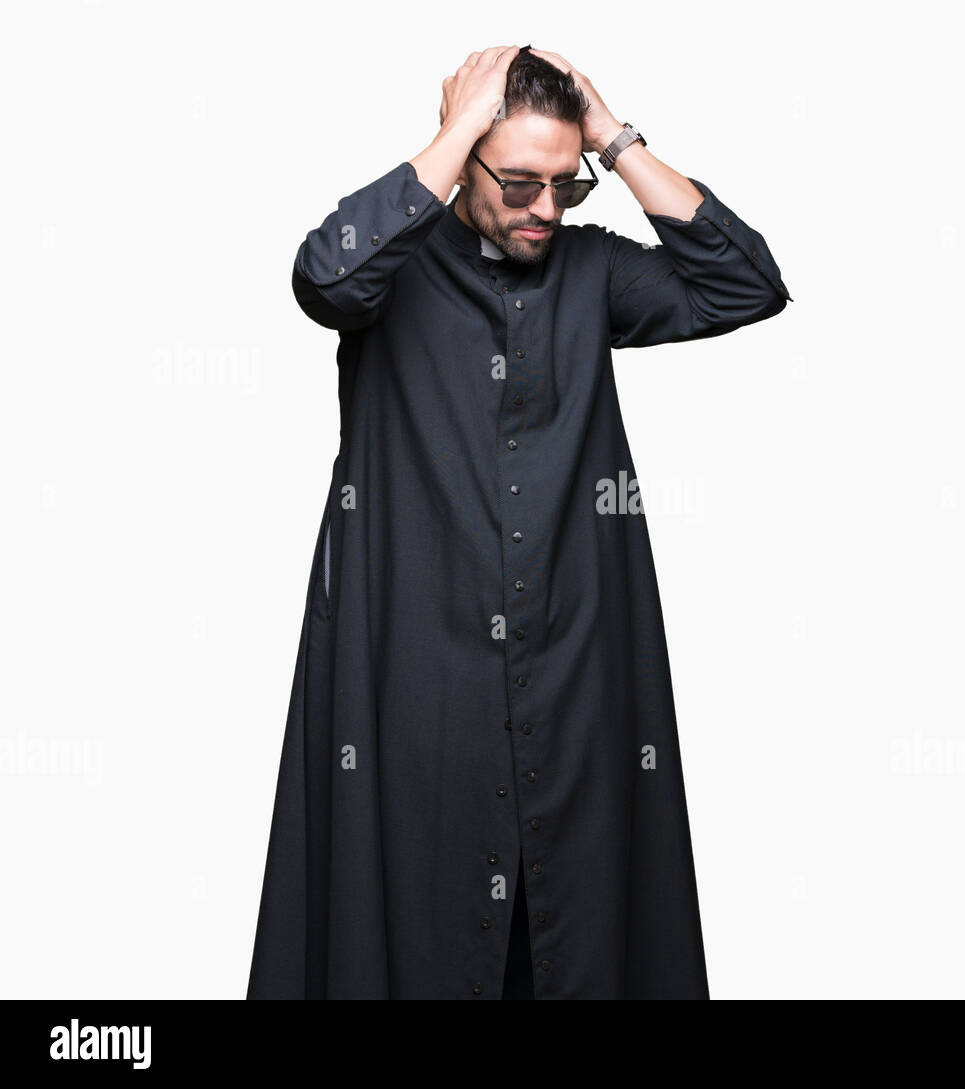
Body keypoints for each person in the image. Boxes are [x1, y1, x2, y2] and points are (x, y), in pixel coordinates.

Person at [247, 44, 792, 1000]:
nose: (546, 210)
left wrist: (614, 138)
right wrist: (456, 130)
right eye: (520, 184)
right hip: (413, 673)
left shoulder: (594, 272)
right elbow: (323, 281)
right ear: (465, 165)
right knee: (415, 914)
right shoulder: (390, 268)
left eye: (564, 186)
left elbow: (746, 286)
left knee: (571, 922)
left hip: (575, 667)